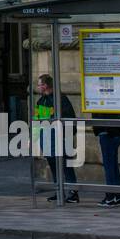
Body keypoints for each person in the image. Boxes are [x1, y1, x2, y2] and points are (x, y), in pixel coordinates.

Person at [34, 73, 78, 203]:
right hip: (47, 138)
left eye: (40, 84)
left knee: (66, 165)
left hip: (61, 137)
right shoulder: (41, 100)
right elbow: (38, 120)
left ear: (45, 85)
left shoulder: (60, 99)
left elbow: (69, 117)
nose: (38, 87)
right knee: (53, 164)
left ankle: (73, 192)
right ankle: (59, 190)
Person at [93, 112, 120, 206]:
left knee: (109, 166)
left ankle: (110, 196)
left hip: (107, 134)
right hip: (117, 134)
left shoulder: (101, 101)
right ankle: (117, 196)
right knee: (113, 166)